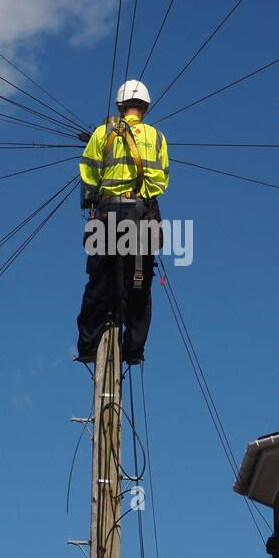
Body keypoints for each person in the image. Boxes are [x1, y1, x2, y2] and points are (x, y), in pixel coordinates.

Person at [75, 79, 170, 365]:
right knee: (140, 282)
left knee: (99, 281)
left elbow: (88, 173)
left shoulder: (102, 134)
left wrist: (96, 198)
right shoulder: (157, 138)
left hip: (106, 215)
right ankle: (133, 350)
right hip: (142, 216)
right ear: (145, 107)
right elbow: (162, 179)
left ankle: (89, 347)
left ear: (120, 105)